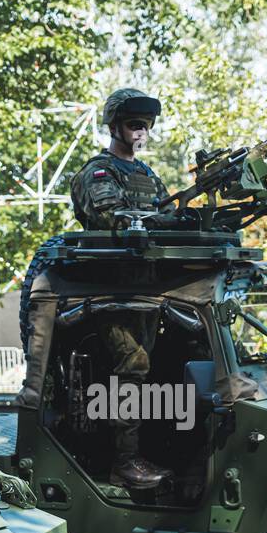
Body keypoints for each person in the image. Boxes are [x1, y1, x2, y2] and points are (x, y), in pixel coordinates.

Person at [69, 89, 178, 491]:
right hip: (110, 294)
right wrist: (163, 220)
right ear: (115, 126)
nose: (141, 130)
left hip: (147, 293)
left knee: (153, 370)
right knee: (131, 369)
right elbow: (111, 217)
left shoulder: (148, 175)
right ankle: (123, 463)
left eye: (146, 124)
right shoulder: (98, 172)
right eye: (134, 123)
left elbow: (171, 215)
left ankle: (149, 454)